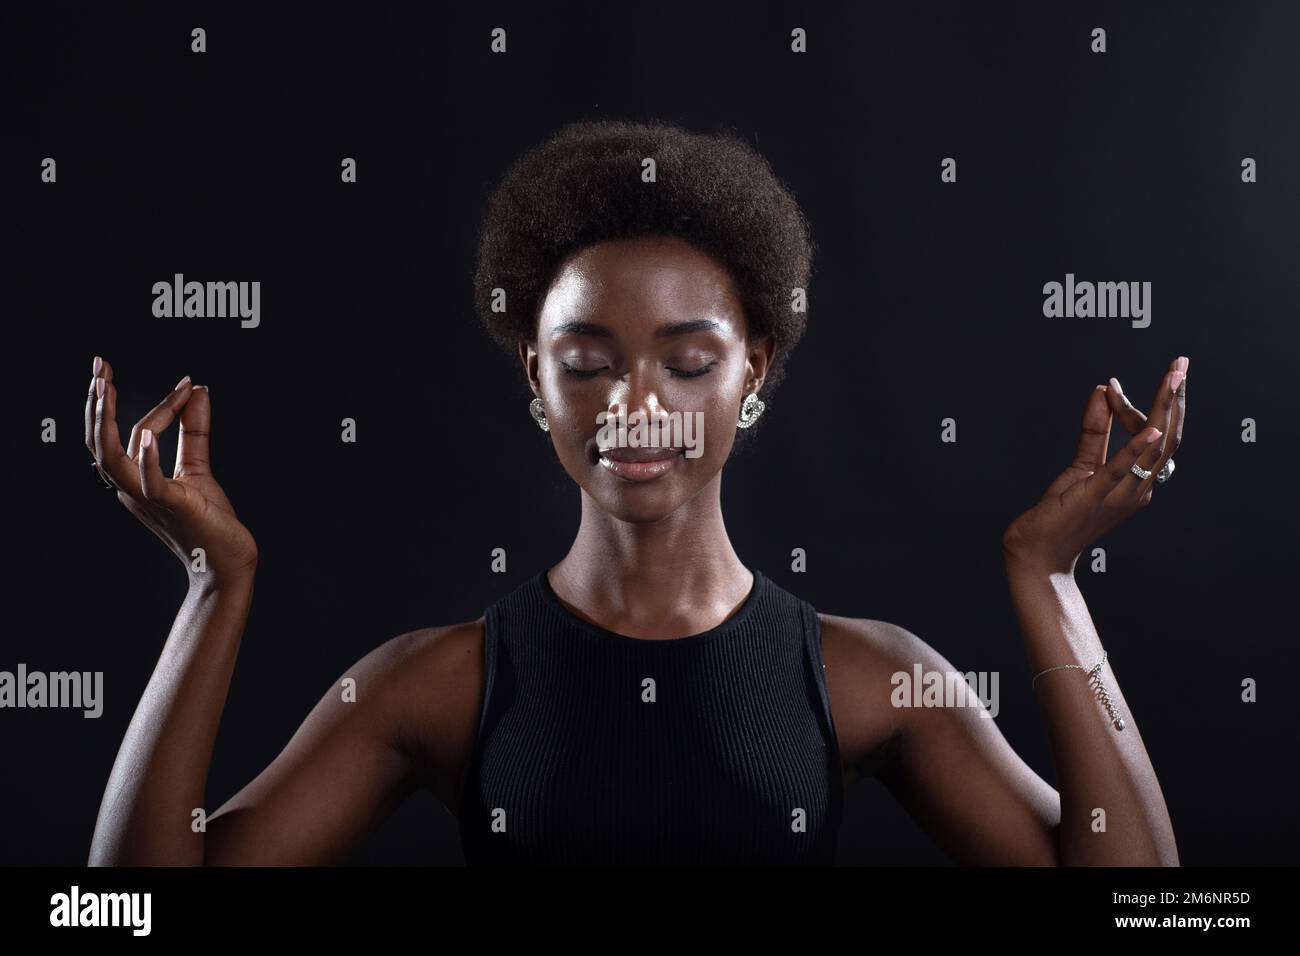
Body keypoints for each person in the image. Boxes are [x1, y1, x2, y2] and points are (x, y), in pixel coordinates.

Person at [86, 120, 1183, 866]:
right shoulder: (434, 684)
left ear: (752, 368)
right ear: (535, 375)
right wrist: (210, 581)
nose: (637, 403)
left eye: (689, 360)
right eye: (588, 358)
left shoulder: (871, 676)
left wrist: (1050, 581)